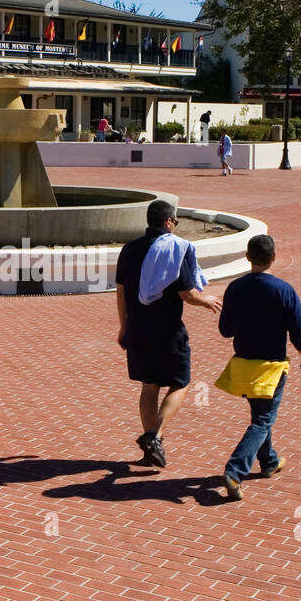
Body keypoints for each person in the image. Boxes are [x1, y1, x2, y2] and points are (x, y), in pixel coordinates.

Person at [115, 199, 221, 467]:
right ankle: (155, 438)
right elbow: (187, 294)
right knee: (180, 383)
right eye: (175, 221)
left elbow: (120, 291)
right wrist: (206, 299)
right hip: (167, 331)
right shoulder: (177, 249)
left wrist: (124, 327)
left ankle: (149, 448)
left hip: (137, 329)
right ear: (168, 222)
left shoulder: (129, 249)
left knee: (149, 386)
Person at [215, 235, 301, 500]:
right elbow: (298, 336)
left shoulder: (235, 288)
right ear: (274, 257)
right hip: (271, 368)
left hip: (244, 367)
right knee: (262, 420)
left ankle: (269, 461)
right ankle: (235, 471)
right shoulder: (284, 290)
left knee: (260, 416)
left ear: (247, 257)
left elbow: (225, 330)